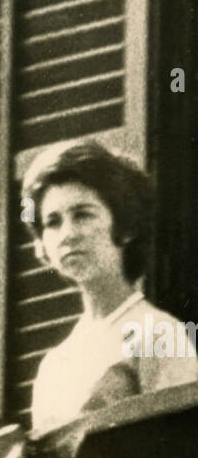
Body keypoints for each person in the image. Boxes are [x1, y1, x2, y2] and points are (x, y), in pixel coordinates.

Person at [23, 139, 198, 431]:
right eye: (52, 222)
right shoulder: (52, 365)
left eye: (83, 215)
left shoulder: (158, 334)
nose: (67, 234)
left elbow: (183, 454)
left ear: (126, 226)